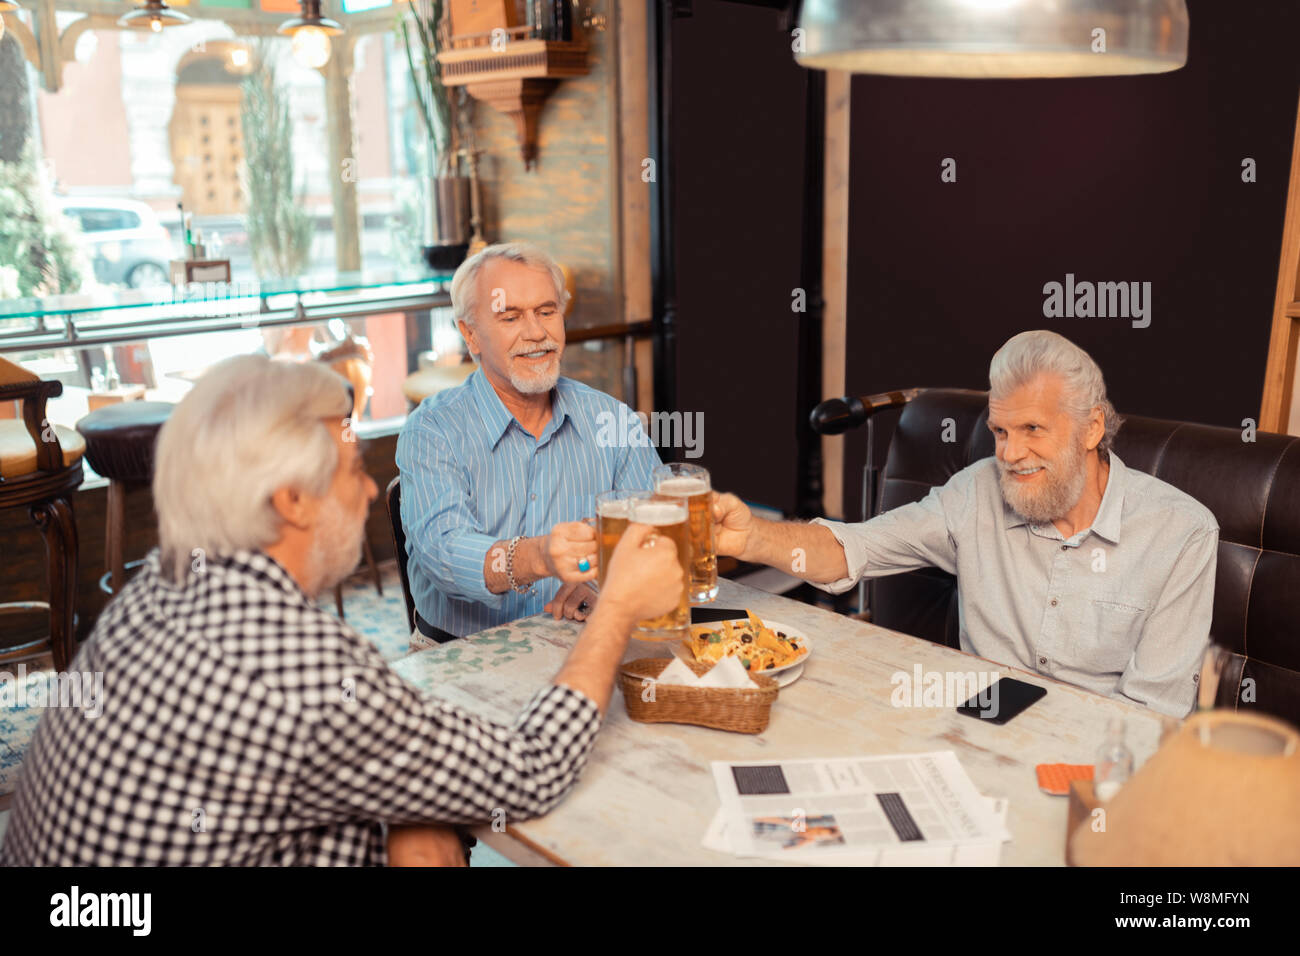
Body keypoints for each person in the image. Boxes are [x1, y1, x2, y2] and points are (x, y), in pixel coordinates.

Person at [0, 355, 682, 867]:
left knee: (427, 834)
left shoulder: (161, 586)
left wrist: (411, 816)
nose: (365, 494)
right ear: (293, 499)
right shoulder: (298, 665)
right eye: (354, 469)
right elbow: (530, 770)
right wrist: (616, 608)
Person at [711, 330, 1218, 718]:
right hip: (975, 734)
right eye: (999, 430)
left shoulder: (1182, 535)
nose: (1011, 454)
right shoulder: (976, 491)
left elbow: (1151, 720)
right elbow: (855, 548)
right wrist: (750, 536)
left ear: (1091, 428)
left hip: (1095, 771)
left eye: (1032, 429)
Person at [396, 241, 661, 644]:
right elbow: (444, 553)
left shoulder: (613, 419)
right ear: (471, 334)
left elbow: (654, 533)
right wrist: (538, 557)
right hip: (461, 655)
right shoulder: (432, 430)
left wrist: (604, 585)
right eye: (511, 317)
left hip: (583, 641)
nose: (536, 332)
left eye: (546, 311)